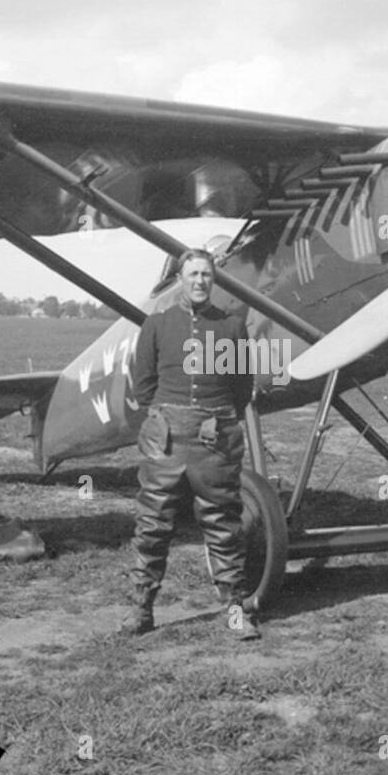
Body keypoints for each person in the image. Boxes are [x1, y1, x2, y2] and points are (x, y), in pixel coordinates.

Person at [121, 248, 258, 639]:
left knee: (224, 526)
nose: (199, 281)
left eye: (206, 275)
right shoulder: (157, 325)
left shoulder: (232, 327)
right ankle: (141, 611)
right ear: (180, 279)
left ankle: (236, 614)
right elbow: (144, 383)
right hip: (165, 439)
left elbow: (241, 389)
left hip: (214, 441)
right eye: (193, 274)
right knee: (152, 525)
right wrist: (169, 417)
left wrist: (211, 418)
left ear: (213, 281)